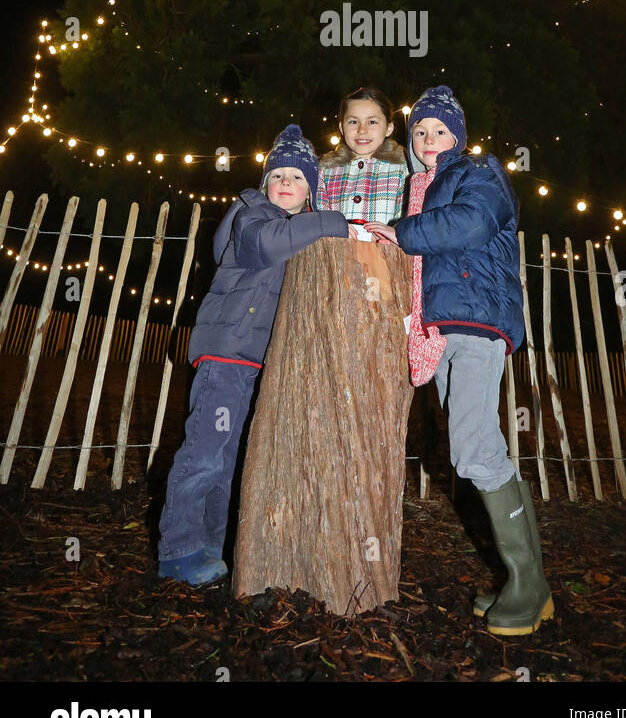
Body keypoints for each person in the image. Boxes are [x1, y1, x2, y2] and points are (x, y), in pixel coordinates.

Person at [366, 85, 554, 636]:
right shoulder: (417, 188)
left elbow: (470, 224)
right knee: (471, 447)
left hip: (477, 319)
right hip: (445, 326)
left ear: (460, 137)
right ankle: (526, 582)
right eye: (419, 131)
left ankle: (529, 583)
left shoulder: (480, 172)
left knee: (474, 451)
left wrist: (402, 233)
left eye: (439, 130)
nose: (427, 139)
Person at [158, 123, 356, 586]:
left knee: (228, 460)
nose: (285, 183)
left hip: (253, 361)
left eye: (297, 177)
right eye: (278, 175)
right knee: (206, 451)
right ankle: (177, 548)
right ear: (265, 182)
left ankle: (209, 546)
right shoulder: (251, 215)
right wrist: (333, 220)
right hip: (227, 354)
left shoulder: (296, 234)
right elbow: (266, 246)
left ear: (310, 190)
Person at [317, 85, 407, 228]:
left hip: (384, 249)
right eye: (353, 122)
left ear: (389, 128)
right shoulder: (325, 171)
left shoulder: (402, 170)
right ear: (341, 128)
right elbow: (319, 216)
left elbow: (406, 219)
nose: (362, 130)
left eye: (372, 122)